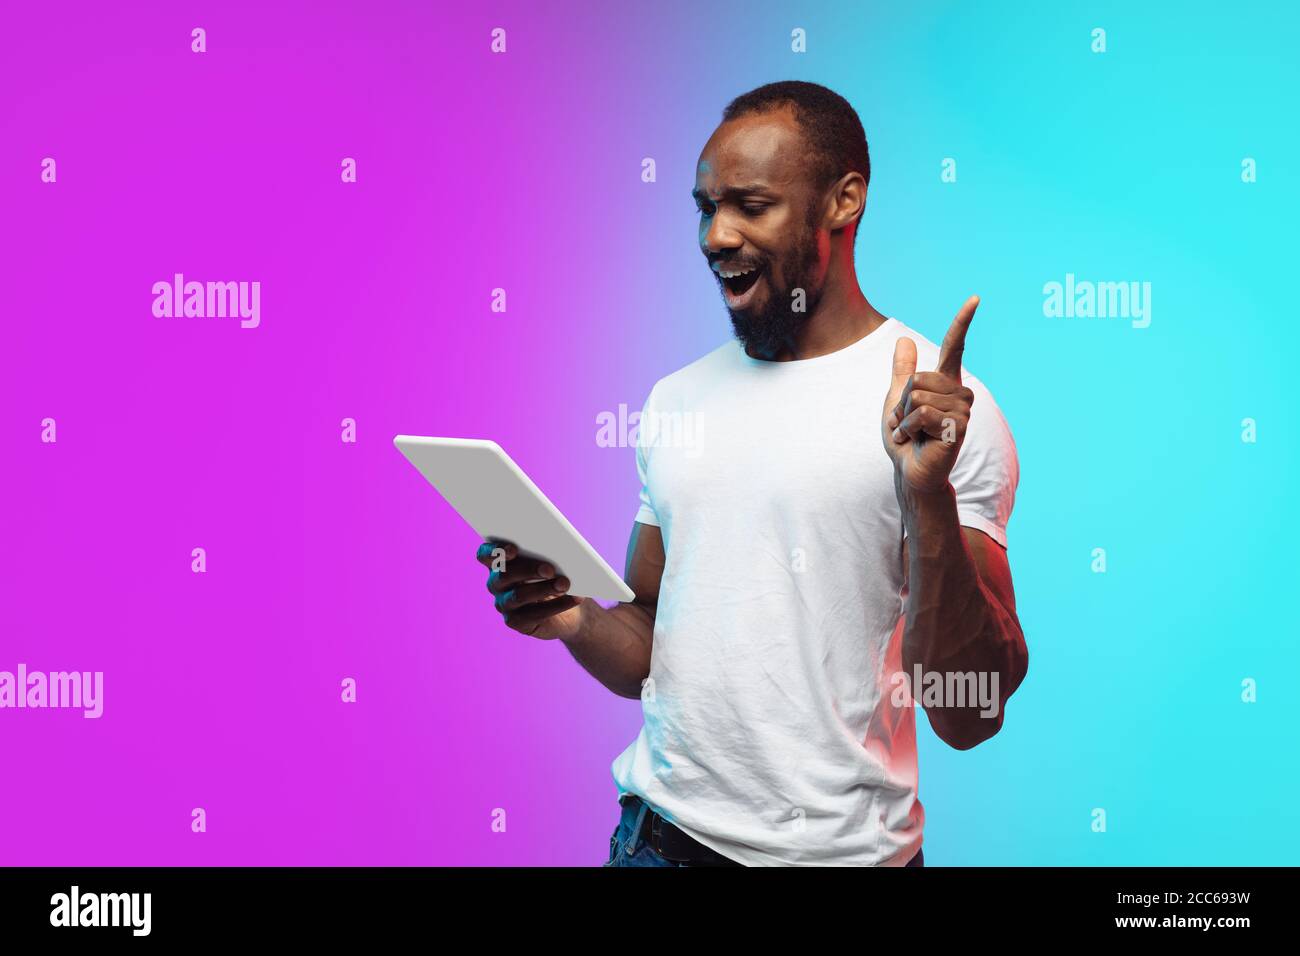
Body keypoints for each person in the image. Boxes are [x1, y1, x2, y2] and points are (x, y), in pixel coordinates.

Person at [476, 80, 1027, 867]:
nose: (716, 234)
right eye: (705, 207)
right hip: (655, 843)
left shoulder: (938, 412)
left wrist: (927, 496)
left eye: (750, 205)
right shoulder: (677, 400)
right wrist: (569, 615)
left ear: (844, 200)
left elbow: (968, 713)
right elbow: (651, 643)